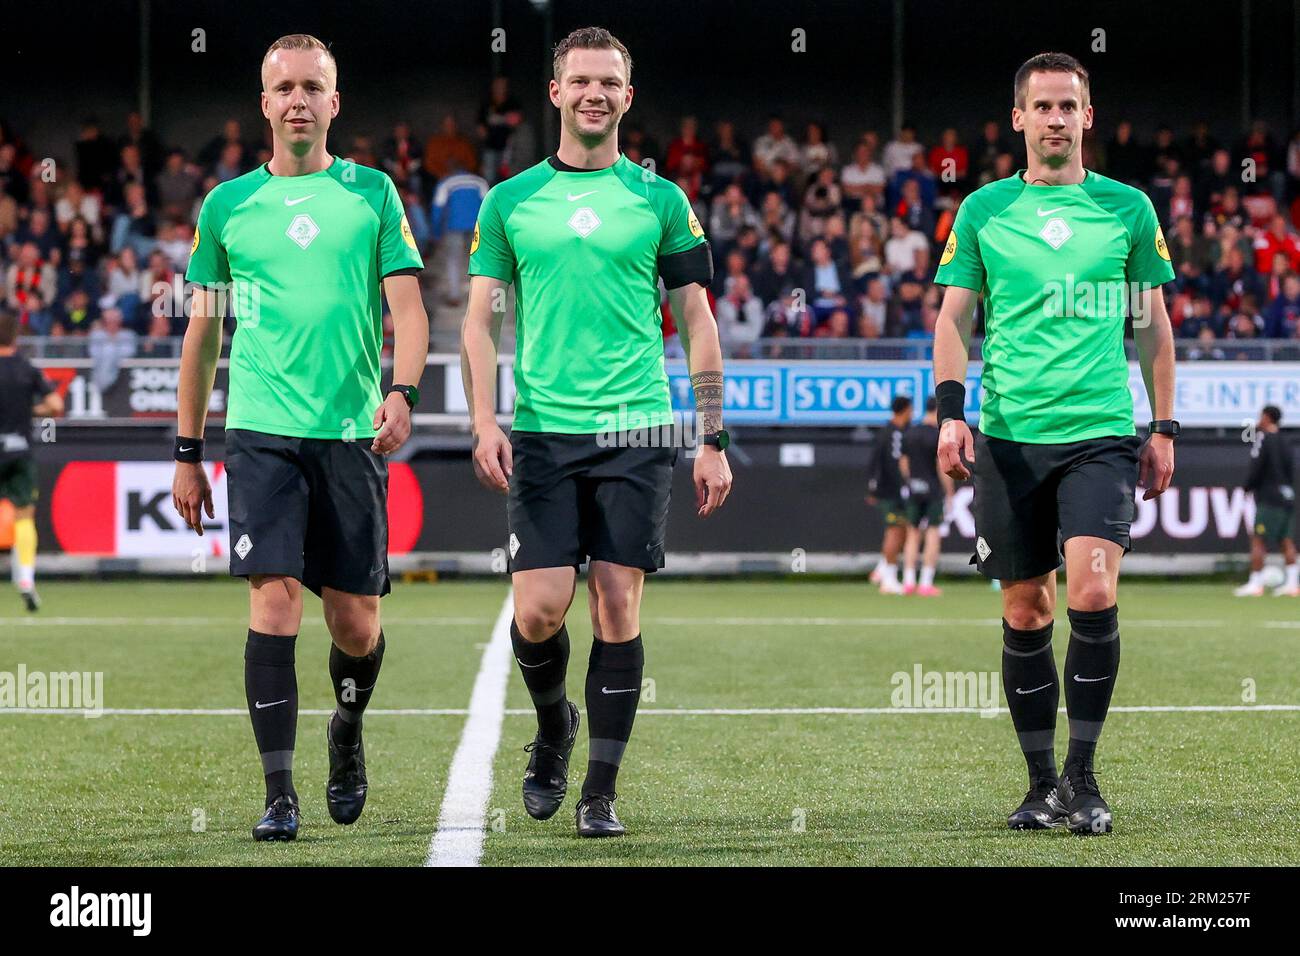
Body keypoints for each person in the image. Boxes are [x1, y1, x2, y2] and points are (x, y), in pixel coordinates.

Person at [461, 26, 732, 838]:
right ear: (555, 93)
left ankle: (600, 793)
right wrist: (483, 419)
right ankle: (553, 730)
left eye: (608, 82)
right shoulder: (508, 201)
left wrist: (713, 436)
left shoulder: (660, 200)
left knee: (618, 602)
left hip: (641, 428)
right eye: (579, 80)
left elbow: (698, 321)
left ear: (627, 95)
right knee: (542, 609)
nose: (593, 93)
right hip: (543, 431)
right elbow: (478, 322)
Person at [171, 34, 429, 843]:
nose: (297, 100)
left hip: (351, 435)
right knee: (274, 602)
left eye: (312, 87)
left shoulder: (374, 195)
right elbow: (202, 337)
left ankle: (345, 734)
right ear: (264, 105)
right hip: (259, 433)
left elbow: (410, 311)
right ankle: (278, 794)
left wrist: (403, 390)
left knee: (357, 627)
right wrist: (187, 451)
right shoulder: (225, 207)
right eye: (283, 88)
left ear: (334, 103)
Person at [933, 53, 1177, 835]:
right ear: (1018, 119)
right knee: (1026, 606)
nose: (1056, 119)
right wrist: (949, 413)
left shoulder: (1129, 209)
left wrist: (1163, 425)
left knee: (1093, 592)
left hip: (1101, 435)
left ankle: (1082, 777)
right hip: (1008, 439)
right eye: (1042, 106)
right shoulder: (982, 211)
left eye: (1069, 105)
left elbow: (1153, 328)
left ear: (1088, 116)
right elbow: (952, 320)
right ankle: (1040, 784)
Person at [0, 310, 63, 611]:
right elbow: (55, 404)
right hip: (19, 450)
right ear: (16, 336)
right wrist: (30, 410)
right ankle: (25, 578)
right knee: (24, 516)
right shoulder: (27, 369)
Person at [1235, 405, 1297, 597]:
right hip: (1286, 497)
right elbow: (1292, 470)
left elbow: (1257, 466)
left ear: (1267, 418)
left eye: (1261, 416)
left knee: (1258, 539)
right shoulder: (1287, 442)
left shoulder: (1262, 438)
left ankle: (1256, 583)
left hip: (1268, 498)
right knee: (1286, 540)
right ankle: (1293, 584)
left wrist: (1246, 487)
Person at [899, 397, 952, 596]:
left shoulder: (910, 433)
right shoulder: (937, 435)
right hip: (933, 490)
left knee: (912, 533)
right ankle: (926, 582)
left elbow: (903, 463)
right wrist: (949, 492)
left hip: (914, 488)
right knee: (932, 533)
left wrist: (911, 481)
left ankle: (908, 581)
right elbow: (941, 467)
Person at [866, 395, 912, 594]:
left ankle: (883, 569)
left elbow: (873, 461)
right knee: (894, 531)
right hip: (891, 490)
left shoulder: (887, 432)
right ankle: (889, 579)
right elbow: (893, 464)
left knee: (900, 530)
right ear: (905, 410)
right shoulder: (895, 434)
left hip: (888, 489)